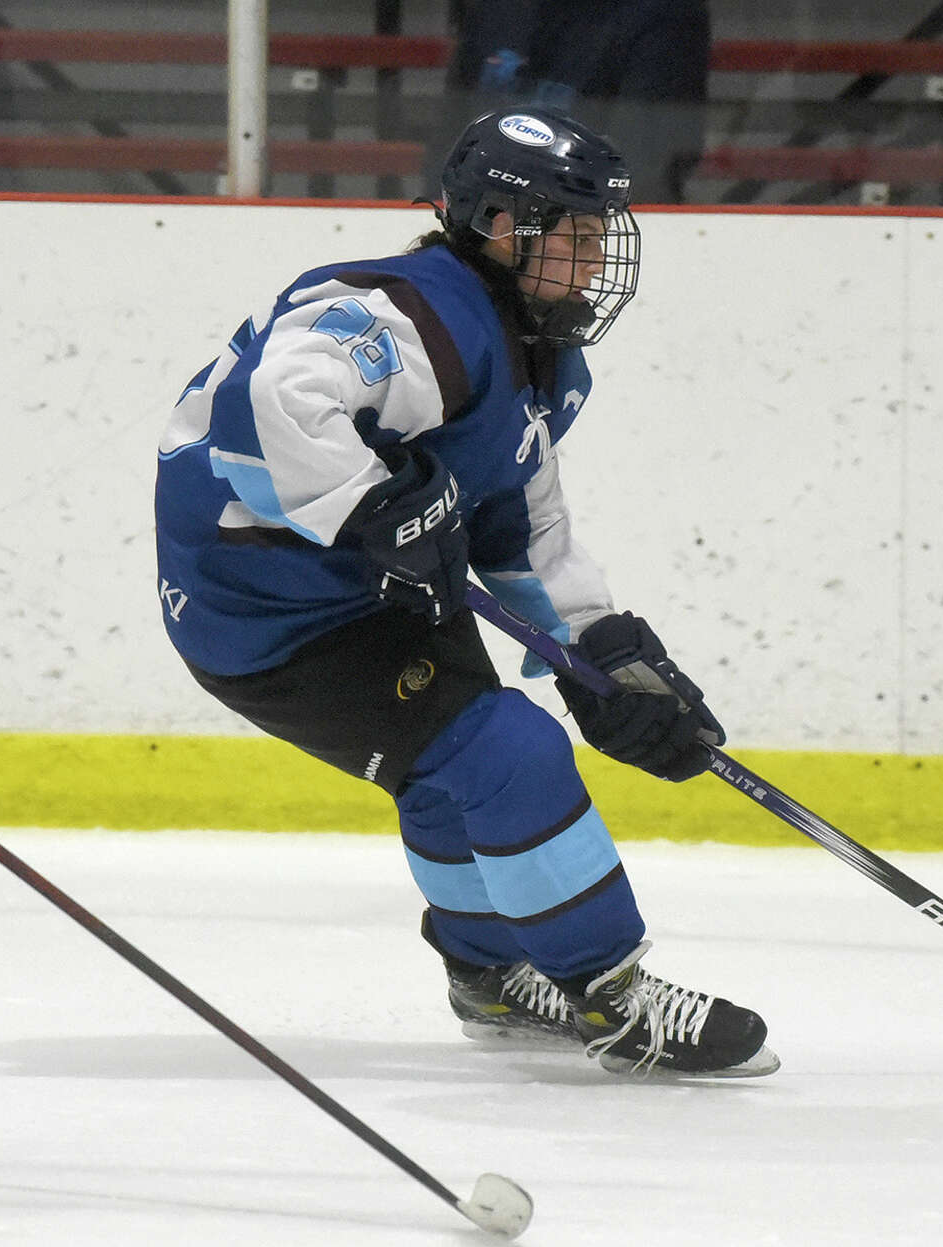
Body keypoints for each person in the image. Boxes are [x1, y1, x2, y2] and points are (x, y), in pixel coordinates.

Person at [155, 108, 775, 1078]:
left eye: (602, 235)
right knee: (505, 752)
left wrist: (605, 655)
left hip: (368, 588)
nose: (597, 257)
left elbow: (518, 528)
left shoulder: (538, 355)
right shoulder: (413, 313)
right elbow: (271, 401)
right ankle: (610, 993)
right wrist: (376, 506)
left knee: (453, 765)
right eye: (576, 235)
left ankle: (488, 975)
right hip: (266, 607)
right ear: (498, 227)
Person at [435, 0, 711, 204]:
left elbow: (645, 165)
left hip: (583, 230)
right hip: (489, 227)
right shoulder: (494, 10)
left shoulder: (665, 15)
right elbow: (450, 143)